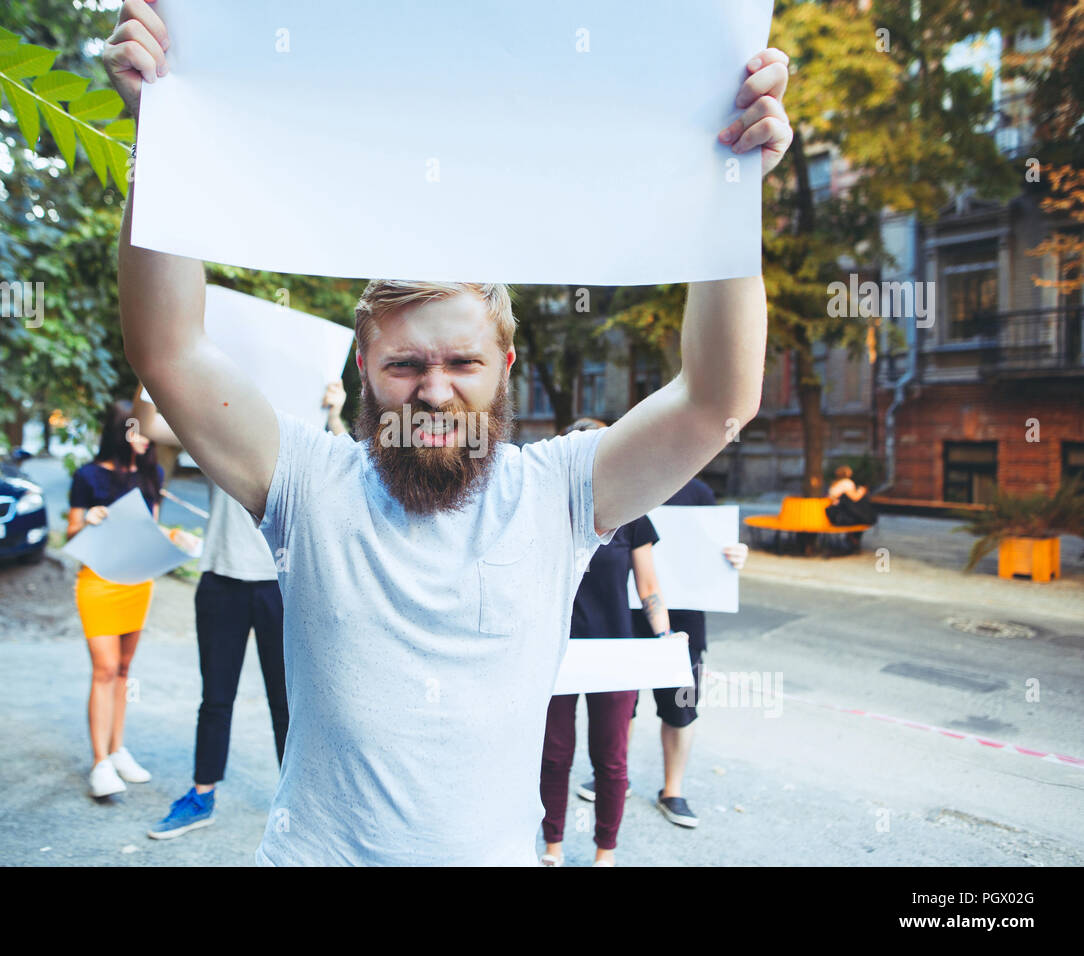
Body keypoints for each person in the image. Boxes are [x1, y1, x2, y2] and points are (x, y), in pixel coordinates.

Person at [105, 1, 791, 864]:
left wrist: (734, 187)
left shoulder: (561, 494)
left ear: (506, 363)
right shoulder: (307, 485)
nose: (433, 392)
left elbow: (718, 400)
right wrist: (159, 140)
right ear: (363, 366)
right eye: (404, 367)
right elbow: (167, 351)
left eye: (461, 364)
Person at [132, 383, 349, 839]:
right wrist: (147, 366)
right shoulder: (219, 437)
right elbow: (151, 424)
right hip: (221, 581)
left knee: (287, 702)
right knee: (215, 699)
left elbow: (350, 469)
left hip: (282, 585)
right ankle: (201, 796)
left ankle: (302, 805)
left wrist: (334, 413)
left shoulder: (303, 445)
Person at [577, 476, 746, 828]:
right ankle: (615, 777)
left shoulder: (697, 491)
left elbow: (716, 545)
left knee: (680, 708)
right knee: (622, 707)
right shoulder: (624, 482)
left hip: (683, 618)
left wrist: (737, 554)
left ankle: (673, 791)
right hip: (621, 614)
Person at [539, 418, 669, 868]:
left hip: (616, 655)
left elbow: (649, 588)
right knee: (554, 755)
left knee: (610, 762)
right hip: (557, 653)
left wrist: (666, 639)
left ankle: (604, 854)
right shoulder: (549, 509)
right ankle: (553, 848)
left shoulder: (634, 517)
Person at [69, 400, 186, 798]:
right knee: (103, 669)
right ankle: (99, 762)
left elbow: (150, 530)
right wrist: (88, 520)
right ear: (117, 434)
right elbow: (70, 535)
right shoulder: (87, 476)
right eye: (133, 431)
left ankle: (118, 750)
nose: (141, 439)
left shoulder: (152, 473)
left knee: (122, 669)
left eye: (145, 431)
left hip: (137, 582)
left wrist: (175, 540)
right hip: (98, 582)